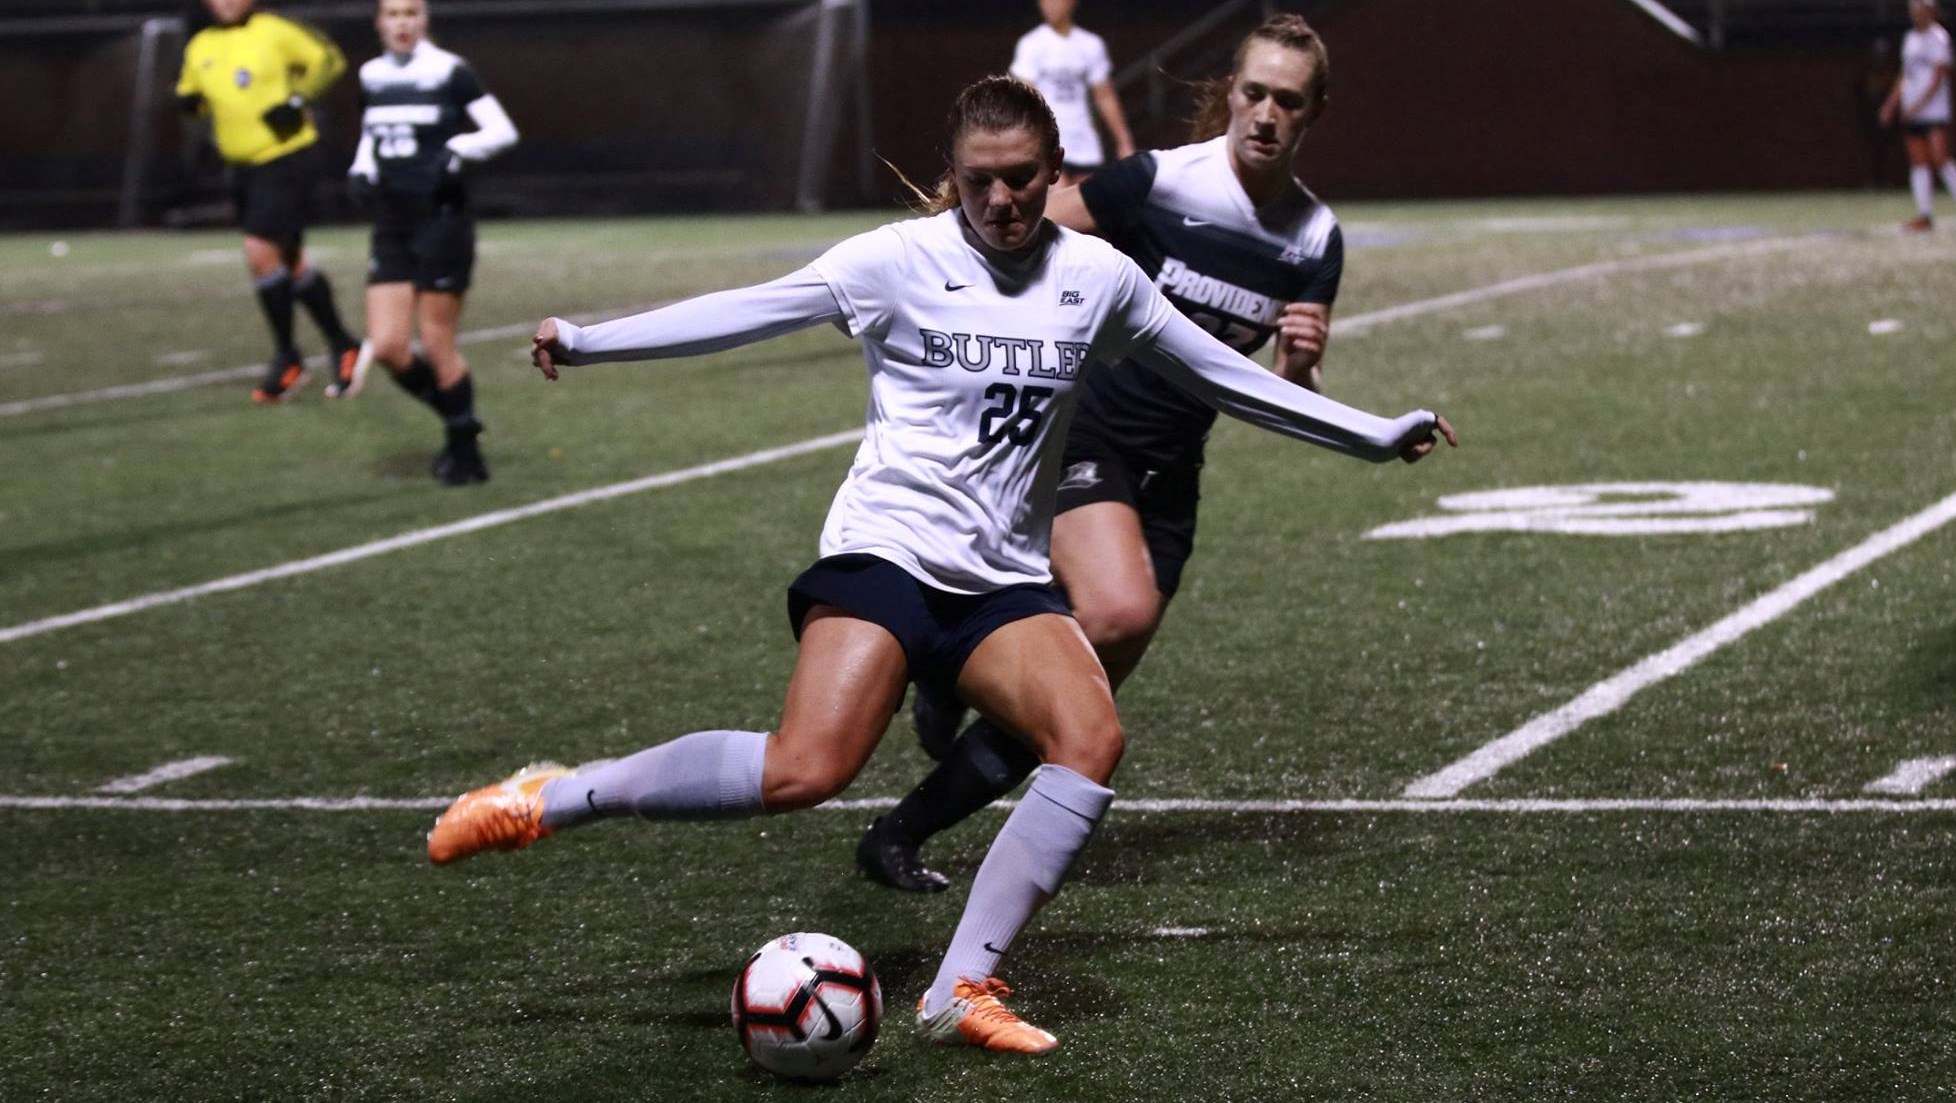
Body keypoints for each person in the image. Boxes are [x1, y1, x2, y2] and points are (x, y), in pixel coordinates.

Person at [423, 75, 1454, 1055]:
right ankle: (555, 796)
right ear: (952, 175)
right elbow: (747, 308)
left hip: (1002, 581)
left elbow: (1229, 377)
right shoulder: (894, 262)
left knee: (1090, 737)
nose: (1001, 200)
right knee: (805, 770)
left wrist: (1368, 433)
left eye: (1021, 178)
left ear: (1055, 171)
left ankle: (961, 986)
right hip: (890, 553)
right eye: (979, 180)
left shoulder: (1098, 279)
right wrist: (592, 340)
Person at [857, 13, 1348, 894]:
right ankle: (951, 652)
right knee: (1117, 614)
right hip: (1091, 439)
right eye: (1255, 92)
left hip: (1174, 468)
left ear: (1313, 114)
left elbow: (1281, 387)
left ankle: (901, 830)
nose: (1267, 113)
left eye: (1290, 100)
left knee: (1086, 690)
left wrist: (1304, 363)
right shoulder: (1160, 181)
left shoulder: (1315, 239)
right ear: (1230, 94)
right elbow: (1024, 226)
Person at [342, 0, 517, 485]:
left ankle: (465, 452)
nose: (403, 23)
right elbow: (370, 133)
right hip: (392, 222)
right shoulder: (372, 74)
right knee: (391, 346)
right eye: (393, 14)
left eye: (412, 13)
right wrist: (361, 169)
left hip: (441, 220)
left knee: (437, 340)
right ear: (379, 22)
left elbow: (501, 131)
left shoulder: (450, 71)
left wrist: (457, 149)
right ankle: (461, 421)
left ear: (425, 20)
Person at [176, 0, 362, 404]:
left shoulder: (274, 30)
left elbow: (328, 60)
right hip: (242, 168)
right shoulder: (200, 45)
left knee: (259, 250)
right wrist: (189, 104)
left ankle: (287, 358)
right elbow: (192, 95)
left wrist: (296, 102)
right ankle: (344, 343)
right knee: (290, 263)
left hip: (285, 158)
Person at [1010, 0, 1134, 185]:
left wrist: (1124, 142)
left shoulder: (1091, 44)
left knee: (1088, 206)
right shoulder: (1031, 44)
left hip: (1085, 145)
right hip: (1048, 145)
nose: (1049, 6)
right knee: (1057, 205)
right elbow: (1026, 98)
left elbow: (1105, 97)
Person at [1879, 0, 1956, 232]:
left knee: (1940, 159)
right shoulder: (1910, 38)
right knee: (1919, 162)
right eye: (1914, 11)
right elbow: (1906, 75)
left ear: (1931, 12)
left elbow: (1938, 78)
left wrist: (1919, 106)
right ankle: (1924, 215)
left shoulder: (1939, 38)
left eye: (1921, 10)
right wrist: (1891, 104)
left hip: (1933, 110)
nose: (1917, 15)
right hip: (1912, 110)